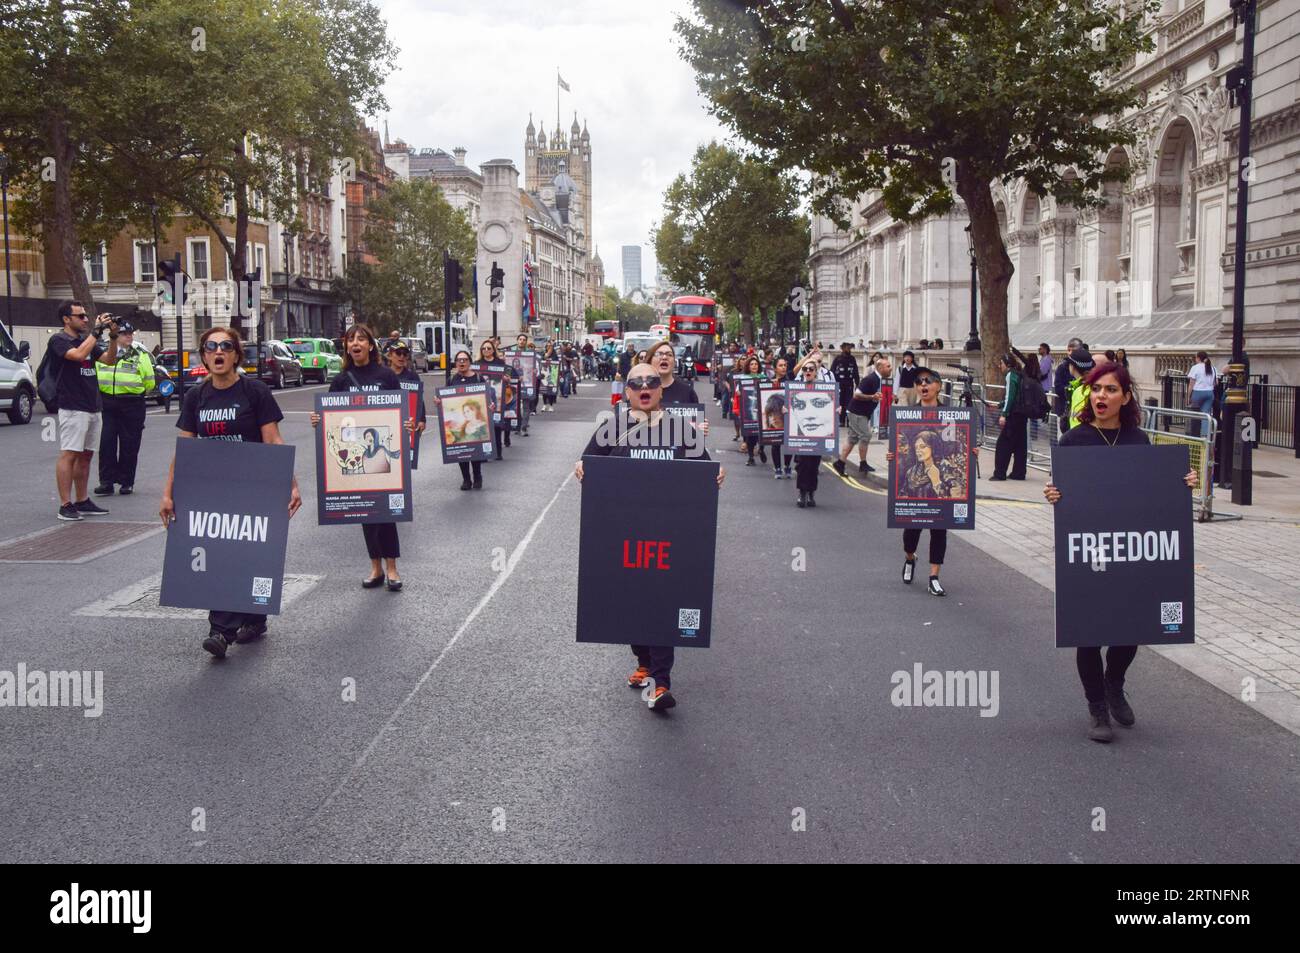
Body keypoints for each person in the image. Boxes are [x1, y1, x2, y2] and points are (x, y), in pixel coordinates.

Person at [1043, 361, 1197, 742]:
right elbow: (1065, 491)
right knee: (1089, 631)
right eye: (1096, 389)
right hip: (1090, 550)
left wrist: (1181, 484)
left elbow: (1149, 493)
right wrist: (1054, 494)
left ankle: (1115, 682)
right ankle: (1097, 706)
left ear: (1125, 397)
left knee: (1130, 625)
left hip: (1129, 551)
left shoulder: (1138, 441)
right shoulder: (1074, 440)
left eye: (1110, 390)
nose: (1101, 396)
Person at [573, 363, 725, 712]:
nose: (645, 386)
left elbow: (703, 468)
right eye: (636, 382)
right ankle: (642, 659)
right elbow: (588, 463)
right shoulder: (612, 428)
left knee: (662, 601)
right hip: (624, 536)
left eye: (652, 382)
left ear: (660, 390)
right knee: (631, 601)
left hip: (667, 537)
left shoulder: (679, 429)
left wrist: (717, 473)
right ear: (626, 391)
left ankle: (661, 682)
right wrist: (581, 468)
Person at [160, 325, 302, 658]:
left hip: (253, 487)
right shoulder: (196, 396)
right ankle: (221, 631)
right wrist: (168, 493)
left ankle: (253, 619)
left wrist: (290, 483)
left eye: (226, 346)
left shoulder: (255, 393)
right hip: (212, 490)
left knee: (249, 554)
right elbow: (184, 449)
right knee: (220, 554)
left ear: (237, 354)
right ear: (204, 356)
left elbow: (273, 440)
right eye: (211, 347)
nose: (218, 352)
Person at [312, 324, 413, 592]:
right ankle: (375, 567)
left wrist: (407, 426)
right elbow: (331, 420)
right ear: (346, 347)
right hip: (356, 458)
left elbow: (399, 413)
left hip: (382, 460)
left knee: (386, 512)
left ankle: (392, 567)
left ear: (370, 345)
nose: (355, 343)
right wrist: (318, 420)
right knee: (366, 512)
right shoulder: (341, 381)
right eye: (350, 340)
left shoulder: (386, 376)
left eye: (361, 339)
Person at [886, 368, 973, 596]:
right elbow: (897, 447)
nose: (922, 385)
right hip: (916, 499)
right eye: (918, 382)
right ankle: (910, 557)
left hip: (938, 496)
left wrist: (970, 449)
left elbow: (958, 444)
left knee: (939, 532)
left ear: (937, 385)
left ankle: (934, 576)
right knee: (910, 534)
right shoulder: (908, 415)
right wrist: (891, 456)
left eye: (927, 381)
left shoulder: (951, 415)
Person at [48, 301, 120, 521]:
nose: (85, 320)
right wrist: (96, 333)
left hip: (92, 405)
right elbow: (78, 356)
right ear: (66, 319)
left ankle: (82, 500)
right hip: (72, 405)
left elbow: (109, 360)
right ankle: (65, 504)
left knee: (86, 455)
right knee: (70, 453)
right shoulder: (59, 340)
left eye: (86, 316)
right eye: (80, 316)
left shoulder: (85, 340)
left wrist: (113, 337)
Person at [93, 319, 153, 497]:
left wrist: (137, 392)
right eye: (124, 333)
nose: (128, 336)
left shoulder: (138, 353)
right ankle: (107, 482)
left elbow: (149, 380)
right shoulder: (104, 351)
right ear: (115, 336)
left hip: (132, 402)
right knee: (106, 443)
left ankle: (127, 482)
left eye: (130, 333)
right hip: (108, 402)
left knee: (130, 443)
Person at [437, 350, 487, 490]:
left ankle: (477, 476)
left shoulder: (478, 379)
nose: (462, 362)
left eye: (465, 360)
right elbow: (445, 399)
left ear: (470, 362)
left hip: (475, 422)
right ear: (456, 363)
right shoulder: (452, 380)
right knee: (461, 450)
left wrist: (490, 405)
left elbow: (486, 398)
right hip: (460, 421)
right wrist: (438, 401)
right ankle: (466, 479)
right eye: (459, 360)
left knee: (475, 449)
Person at [833, 357, 890, 477]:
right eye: (888, 366)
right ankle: (863, 463)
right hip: (857, 412)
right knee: (866, 435)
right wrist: (871, 397)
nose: (890, 369)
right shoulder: (870, 379)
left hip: (862, 413)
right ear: (880, 367)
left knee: (852, 438)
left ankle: (840, 463)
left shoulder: (882, 380)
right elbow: (856, 394)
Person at [791, 357, 828, 507]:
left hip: (817, 431)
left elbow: (829, 406)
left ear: (816, 372)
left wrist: (836, 409)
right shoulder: (796, 387)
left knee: (813, 465)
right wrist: (786, 409)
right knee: (802, 464)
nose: (807, 372)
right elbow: (790, 404)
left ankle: (811, 492)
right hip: (801, 432)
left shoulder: (824, 387)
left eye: (810, 369)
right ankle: (802, 493)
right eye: (805, 369)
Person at [386, 341, 427, 465]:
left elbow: (419, 399)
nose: (402, 357)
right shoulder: (383, 375)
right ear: (389, 355)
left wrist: (422, 419)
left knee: (405, 460)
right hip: (389, 422)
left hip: (408, 424)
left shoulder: (412, 376)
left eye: (405, 354)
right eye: (398, 353)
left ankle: (404, 484)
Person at [990, 353, 1027, 481]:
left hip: (1013, 415)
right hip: (1022, 414)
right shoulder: (1020, 374)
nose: (999, 366)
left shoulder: (1010, 375)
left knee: (1003, 445)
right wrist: (999, 405)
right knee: (1020, 446)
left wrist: (1004, 414)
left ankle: (999, 473)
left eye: (1001, 363)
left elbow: (1010, 396)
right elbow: (1016, 396)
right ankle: (1019, 473)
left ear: (1007, 364)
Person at [479, 339, 510, 458]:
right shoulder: (477, 363)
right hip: (483, 396)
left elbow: (507, 377)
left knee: (497, 425)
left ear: (493, 350)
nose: (486, 350)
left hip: (497, 397)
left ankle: (498, 451)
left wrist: (506, 379)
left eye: (489, 348)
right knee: (484, 425)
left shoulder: (500, 363)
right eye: (484, 348)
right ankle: (485, 452)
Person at [767, 355, 794, 479]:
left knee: (788, 443)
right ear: (775, 368)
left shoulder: (790, 380)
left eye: (785, 365)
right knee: (775, 443)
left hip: (788, 416)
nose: (783, 368)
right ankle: (777, 468)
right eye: (780, 365)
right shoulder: (769, 381)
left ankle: (787, 466)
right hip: (776, 419)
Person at [738, 355, 767, 466]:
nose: (754, 366)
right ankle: (750, 457)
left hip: (761, 409)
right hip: (749, 408)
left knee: (762, 434)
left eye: (756, 364)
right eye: (752, 364)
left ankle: (761, 449)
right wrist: (739, 392)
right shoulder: (743, 378)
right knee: (751, 435)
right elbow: (738, 391)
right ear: (748, 366)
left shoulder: (763, 377)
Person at [1062, 347, 1095, 431]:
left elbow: (1076, 420)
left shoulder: (1081, 390)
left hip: (1078, 440)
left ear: (1073, 367)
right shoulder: (1092, 386)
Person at [1053, 336, 1085, 424]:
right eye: (1069, 350)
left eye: (1074, 350)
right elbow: (1058, 388)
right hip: (1065, 411)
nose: (1070, 353)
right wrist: (1071, 390)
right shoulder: (1062, 368)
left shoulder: (1087, 366)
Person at [1186, 351, 1217, 437]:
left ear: (1198, 358)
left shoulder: (1195, 368)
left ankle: (1195, 436)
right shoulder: (1213, 368)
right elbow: (1216, 382)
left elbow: (1191, 383)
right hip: (1209, 393)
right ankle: (1205, 436)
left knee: (1195, 415)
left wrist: (1188, 396)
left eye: (1196, 357)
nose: (1195, 359)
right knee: (1206, 415)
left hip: (1198, 392)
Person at [831, 342, 860, 426]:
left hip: (849, 384)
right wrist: (833, 384)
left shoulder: (852, 359)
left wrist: (857, 384)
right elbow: (832, 371)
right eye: (847, 348)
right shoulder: (838, 359)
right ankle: (841, 420)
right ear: (843, 348)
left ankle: (849, 421)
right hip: (839, 384)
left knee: (849, 402)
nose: (848, 349)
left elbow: (855, 372)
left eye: (849, 348)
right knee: (840, 402)